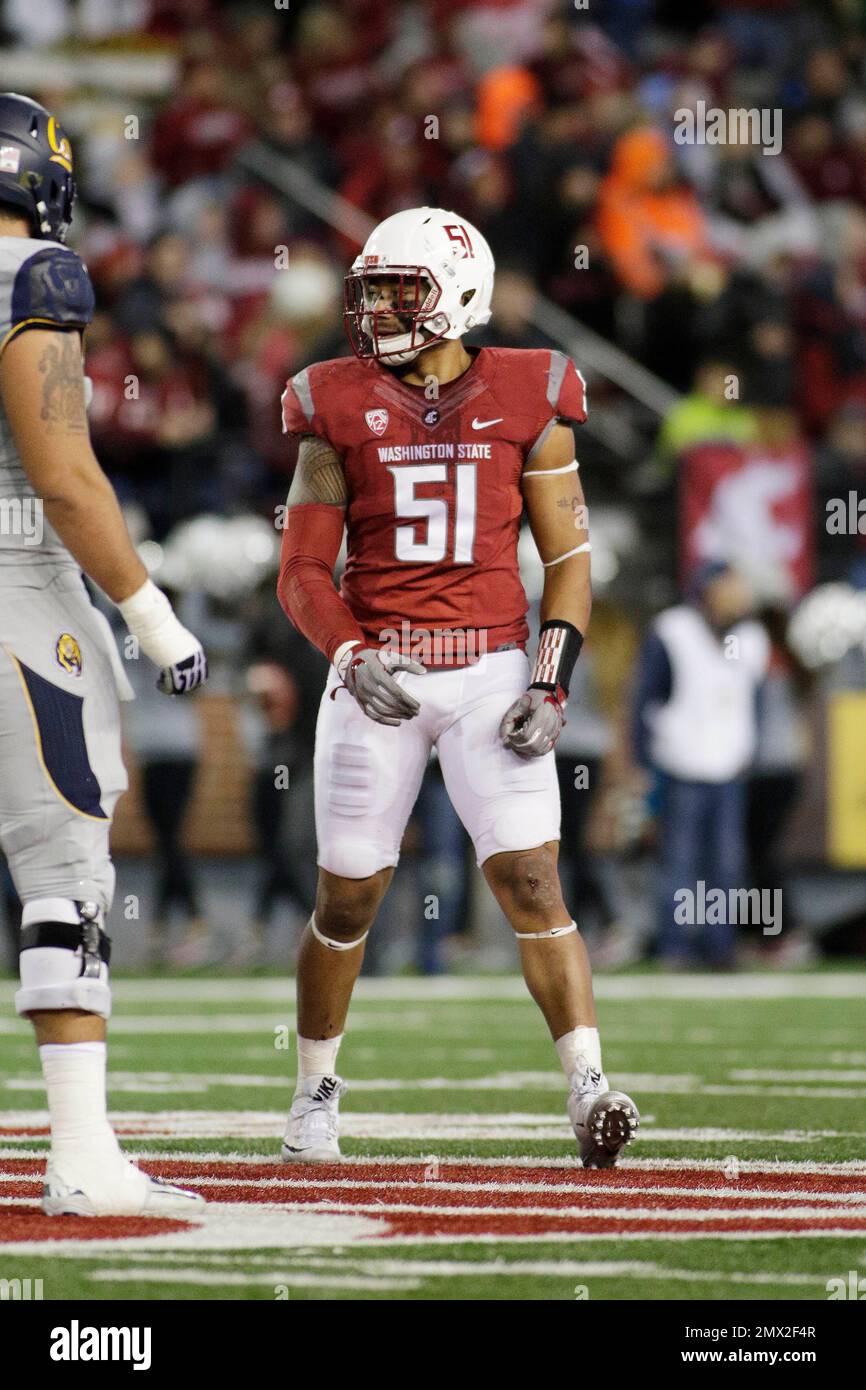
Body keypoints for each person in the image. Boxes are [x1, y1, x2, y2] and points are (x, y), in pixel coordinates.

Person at [277, 206, 639, 1168]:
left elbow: (568, 558)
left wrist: (551, 684)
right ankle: (314, 1093)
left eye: (402, 291)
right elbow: (303, 573)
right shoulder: (332, 401)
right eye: (373, 292)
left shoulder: (533, 389)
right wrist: (352, 657)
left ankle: (588, 1088)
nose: (380, 312)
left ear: (462, 294)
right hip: (379, 663)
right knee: (348, 897)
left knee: (530, 879)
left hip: (490, 665)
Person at [0, 93, 207, 1216]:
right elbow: (65, 477)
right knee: (64, 864)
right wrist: (148, 609)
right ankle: (81, 1153)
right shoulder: (31, 273)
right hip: (15, 585)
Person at [631, 561, 770, 966]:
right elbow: (647, 698)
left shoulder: (751, 637)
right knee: (680, 859)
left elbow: (752, 702)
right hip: (681, 762)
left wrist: (750, 750)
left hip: (729, 765)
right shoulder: (674, 630)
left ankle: (719, 945)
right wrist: (642, 759)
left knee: (727, 862)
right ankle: (675, 945)